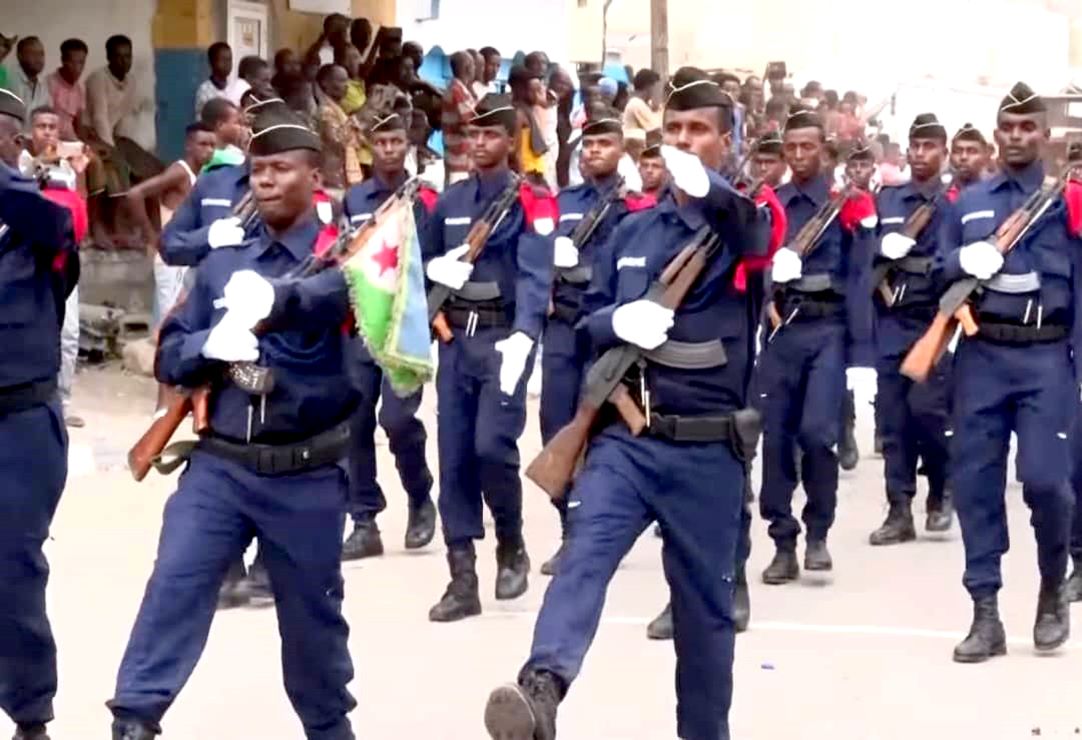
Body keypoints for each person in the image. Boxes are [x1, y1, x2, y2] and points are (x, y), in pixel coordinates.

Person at [482, 67, 769, 740]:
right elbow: (587, 322)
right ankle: (541, 689)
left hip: (708, 450)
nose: (682, 141)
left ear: (725, 143)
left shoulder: (741, 228)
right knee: (583, 554)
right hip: (629, 440)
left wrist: (712, 193)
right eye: (672, 129)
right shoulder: (631, 232)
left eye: (699, 131)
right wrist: (621, 322)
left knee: (705, 622)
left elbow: (753, 232)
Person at [107, 106, 359, 740]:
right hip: (219, 466)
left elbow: (348, 309)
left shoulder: (346, 260)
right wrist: (206, 350)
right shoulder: (223, 263)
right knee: (172, 591)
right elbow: (168, 353)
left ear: (316, 176)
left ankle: (330, 729)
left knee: (313, 638)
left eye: (281, 169)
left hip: (305, 475)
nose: (265, 181)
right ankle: (133, 721)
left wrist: (280, 304)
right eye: (257, 170)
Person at [941, 82, 1080, 663]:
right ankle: (985, 612)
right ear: (996, 134)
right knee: (975, 486)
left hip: (1046, 357)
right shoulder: (969, 202)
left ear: (1044, 136)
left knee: (1048, 482)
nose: (1018, 136)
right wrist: (956, 263)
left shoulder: (1067, 201)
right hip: (981, 358)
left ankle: (1052, 588)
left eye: (1028, 127)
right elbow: (939, 276)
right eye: (1009, 127)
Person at [421, 93, 555, 623]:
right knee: (453, 457)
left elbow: (534, 273)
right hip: (456, 339)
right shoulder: (449, 201)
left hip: (502, 340)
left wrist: (524, 337)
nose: (478, 144)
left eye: (489, 135)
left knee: (491, 447)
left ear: (510, 138)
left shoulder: (531, 200)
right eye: (471, 135)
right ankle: (462, 576)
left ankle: (511, 542)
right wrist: (436, 276)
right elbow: (422, 262)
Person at [757, 105, 875, 585]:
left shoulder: (846, 203)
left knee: (818, 436)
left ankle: (818, 532)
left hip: (828, 329)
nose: (800, 155)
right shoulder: (771, 202)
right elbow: (749, 265)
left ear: (825, 150)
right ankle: (782, 538)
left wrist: (861, 356)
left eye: (809, 147)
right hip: (784, 329)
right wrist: (769, 278)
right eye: (792, 148)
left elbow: (861, 275)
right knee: (776, 439)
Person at [537, 108, 654, 576]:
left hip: (609, 331)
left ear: (621, 150)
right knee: (556, 423)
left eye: (602, 144)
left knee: (609, 435)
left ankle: (595, 531)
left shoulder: (636, 207)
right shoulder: (564, 201)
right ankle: (569, 524)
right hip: (565, 326)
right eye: (586, 145)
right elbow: (538, 255)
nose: (592, 152)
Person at [0, 87, 79, 740]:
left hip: (20, 425)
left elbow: (59, 230)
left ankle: (31, 716)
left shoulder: (47, 207)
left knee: (12, 567)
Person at [338, 111, 439, 560]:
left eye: (396, 142)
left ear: (408, 145)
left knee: (397, 421)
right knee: (354, 422)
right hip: (362, 326)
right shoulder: (355, 199)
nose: (389, 150)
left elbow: (437, 263)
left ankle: (420, 497)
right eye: (381, 143)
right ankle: (364, 519)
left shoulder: (427, 199)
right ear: (370, 148)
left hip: (407, 325)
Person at [867, 113, 955, 547]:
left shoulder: (952, 202)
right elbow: (865, 256)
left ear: (943, 151)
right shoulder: (887, 200)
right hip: (891, 320)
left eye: (930, 146)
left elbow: (954, 260)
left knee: (929, 414)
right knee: (893, 421)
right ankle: (899, 509)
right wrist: (880, 249)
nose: (921, 154)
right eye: (915, 146)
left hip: (932, 322)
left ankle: (940, 488)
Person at [24, 105, 89, 430]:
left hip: (65, 261)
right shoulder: (21, 164)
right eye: (41, 126)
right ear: (29, 132)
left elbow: (80, 208)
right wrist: (42, 165)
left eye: (53, 126)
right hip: (31, 263)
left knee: (69, 333)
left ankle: (61, 402)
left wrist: (81, 170)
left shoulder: (68, 168)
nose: (48, 132)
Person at [126, 123, 215, 320]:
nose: (208, 150)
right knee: (173, 319)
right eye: (203, 144)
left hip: (185, 254)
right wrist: (151, 237)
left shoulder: (201, 174)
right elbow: (135, 194)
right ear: (189, 146)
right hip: (173, 256)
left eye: (212, 145)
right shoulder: (180, 172)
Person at [159, 97, 254, 268]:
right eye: (243, 124)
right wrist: (209, 236)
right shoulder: (213, 179)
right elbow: (169, 244)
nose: (246, 131)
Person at [316, 63, 366, 194]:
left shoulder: (339, 110)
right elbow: (337, 140)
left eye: (347, 80)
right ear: (325, 83)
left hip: (341, 179)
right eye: (341, 80)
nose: (347, 85)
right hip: (332, 181)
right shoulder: (325, 111)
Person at [441, 51, 477, 186]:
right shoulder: (457, 91)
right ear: (467, 67)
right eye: (473, 65)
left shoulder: (461, 89)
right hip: (459, 160)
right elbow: (468, 122)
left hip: (462, 160)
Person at [509, 65, 548, 182]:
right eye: (533, 90)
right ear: (522, 90)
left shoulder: (528, 110)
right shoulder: (519, 113)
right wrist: (522, 177)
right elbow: (516, 151)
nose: (537, 94)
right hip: (527, 173)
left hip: (535, 170)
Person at [46, 38, 88, 141]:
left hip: (71, 142)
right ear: (63, 61)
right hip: (51, 141)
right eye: (73, 62)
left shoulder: (79, 89)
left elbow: (79, 126)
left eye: (81, 63)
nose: (77, 68)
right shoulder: (49, 84)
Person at [6, 37, 51, 124]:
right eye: (33, 54)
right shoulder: (8, 78)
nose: (39, 59)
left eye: (41, 54)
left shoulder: (43, 85)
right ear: (19, 56)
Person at [194, 42, 243, 118]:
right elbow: (201, 118)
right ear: (212, 62)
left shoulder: (237, 86)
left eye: (229, 59)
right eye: (223, 60)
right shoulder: (204, 90)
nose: (227, 64)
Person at [950, 123, 990, 193]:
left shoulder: (998, 194)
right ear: (950, 157)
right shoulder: (939, 195)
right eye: (957, 151)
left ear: (985, 156)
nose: (963, 157)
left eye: (972, 151)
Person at [622, 68, 661, 134]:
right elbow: (657, 129)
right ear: (649, 86)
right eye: (654, 86)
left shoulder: (640, 103)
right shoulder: (636, 104)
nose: (655, 90)